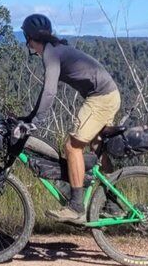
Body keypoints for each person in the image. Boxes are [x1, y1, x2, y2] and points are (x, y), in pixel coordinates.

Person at [19, 13, 120, 225]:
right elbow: (44, 94)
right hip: (109, 95)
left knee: (72, 147)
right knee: (97, 148)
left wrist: (37, 122)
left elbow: (49, 92)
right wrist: (30, 116)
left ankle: (76, 208)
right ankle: (113, 204)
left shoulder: (51, 54)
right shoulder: (57, 49)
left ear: (29, 38)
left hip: (100, 98)